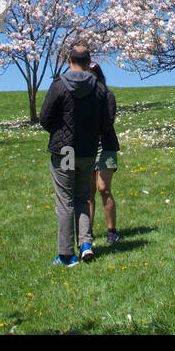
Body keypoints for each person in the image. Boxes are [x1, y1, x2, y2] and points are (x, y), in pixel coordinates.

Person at [39, 42, 119, 265]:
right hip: (87, 150)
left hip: (65, 150)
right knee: (84, 197)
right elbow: (106, 123)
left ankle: (66, 255)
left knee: (65, 200)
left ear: (68, 60)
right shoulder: (100, 89)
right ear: (88, 62)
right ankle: (85, 244)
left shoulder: (60, 85)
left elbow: (45, 116)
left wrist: (60, 133)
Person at [87, 62, 121, 244]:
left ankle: (112, 231)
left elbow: (108, 121)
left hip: (105, 146)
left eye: (93, 74)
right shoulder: (81, 99)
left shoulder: (107, 96)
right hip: (87, 148)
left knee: (103, 188)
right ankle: (88, 233)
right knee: (88, 192)